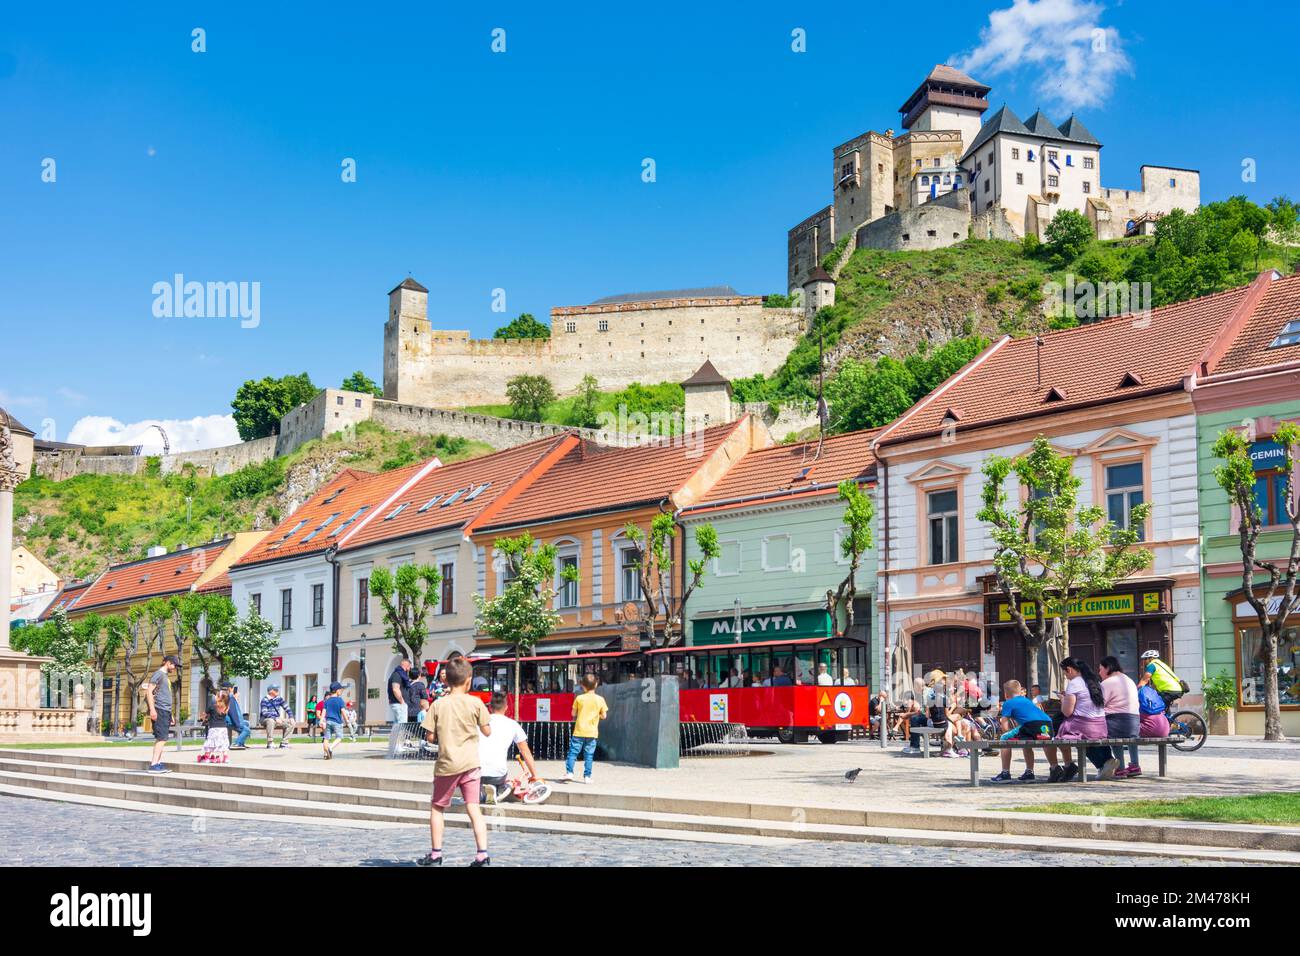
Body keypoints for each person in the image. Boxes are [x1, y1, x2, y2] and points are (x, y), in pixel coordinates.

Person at [418, 657, 492, 866]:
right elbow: (487, 731)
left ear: (446, 681)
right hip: (471, 763)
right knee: (473, 807)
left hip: (447, 764)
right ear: (469, 680)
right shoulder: (476, 702)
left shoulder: (438, 704)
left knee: (437, 807)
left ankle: (436, 854)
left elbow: (430, 737)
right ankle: (482, 854)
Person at [1043, 657, 1108, 782]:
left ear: (1069, 670)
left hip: (1084, 727)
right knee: (1058, 729)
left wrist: (1063, 699)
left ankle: (1056, 767)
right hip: (1100, 728)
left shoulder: (1074, 683)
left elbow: (1067, 712)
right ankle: (1068, 765)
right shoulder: (1095, 682)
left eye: (1065, 673)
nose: (1066, 677)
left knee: (1050, 734)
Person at [478, 691, 539, 804]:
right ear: (506, 707)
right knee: (507, 778)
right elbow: (525, 751)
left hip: (476, 774)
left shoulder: (480, 723)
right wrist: (534, 775)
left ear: (490, 707)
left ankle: (483, 792)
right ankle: (500, 788)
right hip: (497, 774)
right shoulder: (513, 724)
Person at [988, 680, 1053, 782]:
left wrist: (1009, 732)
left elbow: (1005, 728)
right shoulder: (1027, 701)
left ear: (1006, 694)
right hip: (1048, 725)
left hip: (1031, 726)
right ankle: (1029, 772)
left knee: (1004, 738)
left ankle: (1005, 773)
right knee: (1025, 738)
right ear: (1020, 691)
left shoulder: (1008, 703)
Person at [1087, 656, 1140, 780]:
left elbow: (1099, 704)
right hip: (1135, 723)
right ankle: (1135, 765)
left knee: (1101, 733)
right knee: (1122, 735)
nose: (1099, 673)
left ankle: (1119, 768)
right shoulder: (1129, 680)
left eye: (1100, 669)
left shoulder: (1108, 682)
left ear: (1108, 668)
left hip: (1117, 721)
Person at [563, 674, 608, 783]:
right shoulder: (600, 699)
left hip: (579, 731)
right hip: (592, 732)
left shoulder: (579, 698)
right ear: (596, 685)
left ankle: (569, 773)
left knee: (573, 753)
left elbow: (573, 713)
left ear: (582, 686)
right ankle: (587, 777)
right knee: (589, 755)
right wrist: (598, 715)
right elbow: (604, 716)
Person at [1125, 679, 1170, 779]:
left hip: (1152, 728)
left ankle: (1134, 765)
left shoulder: (1138, 704)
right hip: (1165, 728)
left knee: (1130, 733)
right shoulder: (1153, 703)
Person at [144, 655, 180, 774]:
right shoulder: (158, 674)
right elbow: (149, 691)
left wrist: (171, 714)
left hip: (165, 711)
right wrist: (152, 710)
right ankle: (154, 765)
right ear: (168, 663)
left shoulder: (165, 676)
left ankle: (157, 763)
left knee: (162, 738)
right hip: (160, 710)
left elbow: (164, 695)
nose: (175, 668)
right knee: (161, 738)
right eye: (174, 665)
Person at [200, 689, 231, 763]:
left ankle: (207, 757)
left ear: (218, 697)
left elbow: (204, 714)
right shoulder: (226, 707)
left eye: (216, 696)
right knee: (223, 742)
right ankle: (225, 757)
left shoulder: (212, 705)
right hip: (223, 728)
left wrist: (203, 718)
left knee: (211, 742)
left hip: (213, 727)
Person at [321, 682, 347, 760]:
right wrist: (347, 721)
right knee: (339, 737)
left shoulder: (327, 701)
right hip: (337, 722)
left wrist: (322, 720)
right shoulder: (340, 700)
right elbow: (343, 711)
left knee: (326, 738)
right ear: (337, 690)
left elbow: (324, 711)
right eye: (341, 690)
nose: (341, 691)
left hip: (328, 721)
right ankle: (330, 748)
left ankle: (325, 754)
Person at [224, 684, 251, 749]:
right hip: (231, 721)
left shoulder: (229, 697)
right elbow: (233, 712)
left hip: (231, 720)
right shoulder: (231, 698)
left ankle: (241, 743)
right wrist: (237, 724)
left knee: (246, 723)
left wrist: (235, 699)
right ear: (230, 689)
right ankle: (237, 743)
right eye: (233, 688)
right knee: (247, 730)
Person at [388, 658, 413, 723]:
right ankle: (400, 734)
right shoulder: (397, 674)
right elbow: (395, 689)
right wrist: (402, 702)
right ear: (407, 666)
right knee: (402, 725)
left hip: (398, 703)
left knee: (397, 726)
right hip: (399, 704)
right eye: (410, 667)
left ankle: (396, 734)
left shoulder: (397, 674)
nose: (410, 669)